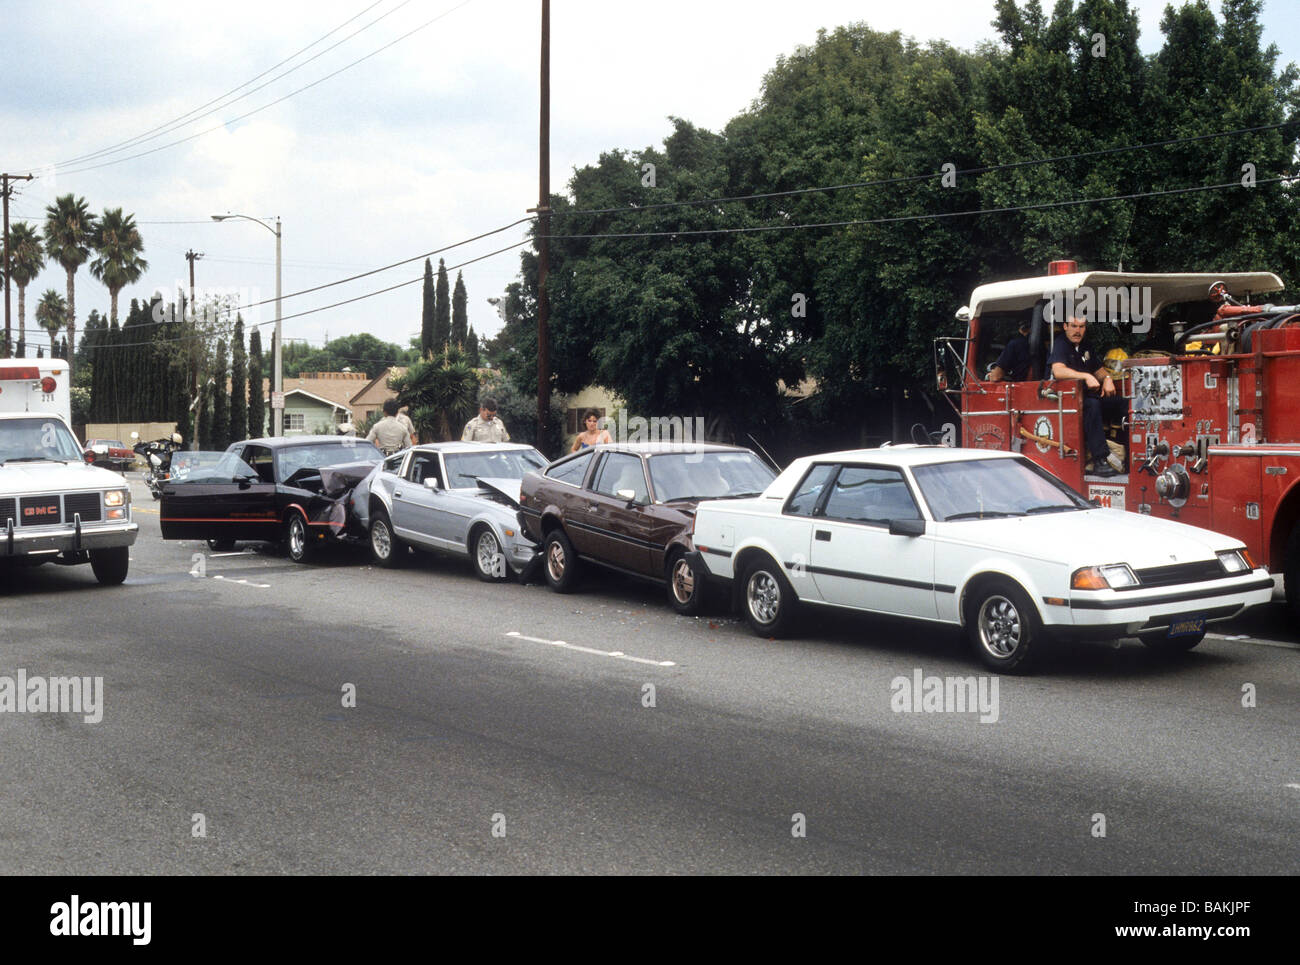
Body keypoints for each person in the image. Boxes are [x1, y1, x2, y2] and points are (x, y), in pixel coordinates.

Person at [1047, 316, 1126, 476]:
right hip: (1067, 402)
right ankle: (1100, 460)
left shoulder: (1086, 345)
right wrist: (1086, 376)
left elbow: (1098, 370)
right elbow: (1058, 370)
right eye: (1074, 326)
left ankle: (1125, 453)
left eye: (1082, 326)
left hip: (1087, 397)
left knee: (1122, 403)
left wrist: (1108, 379)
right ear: (1065, 326)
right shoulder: (1060, 344)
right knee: (1092, 405)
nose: (1078, 331)